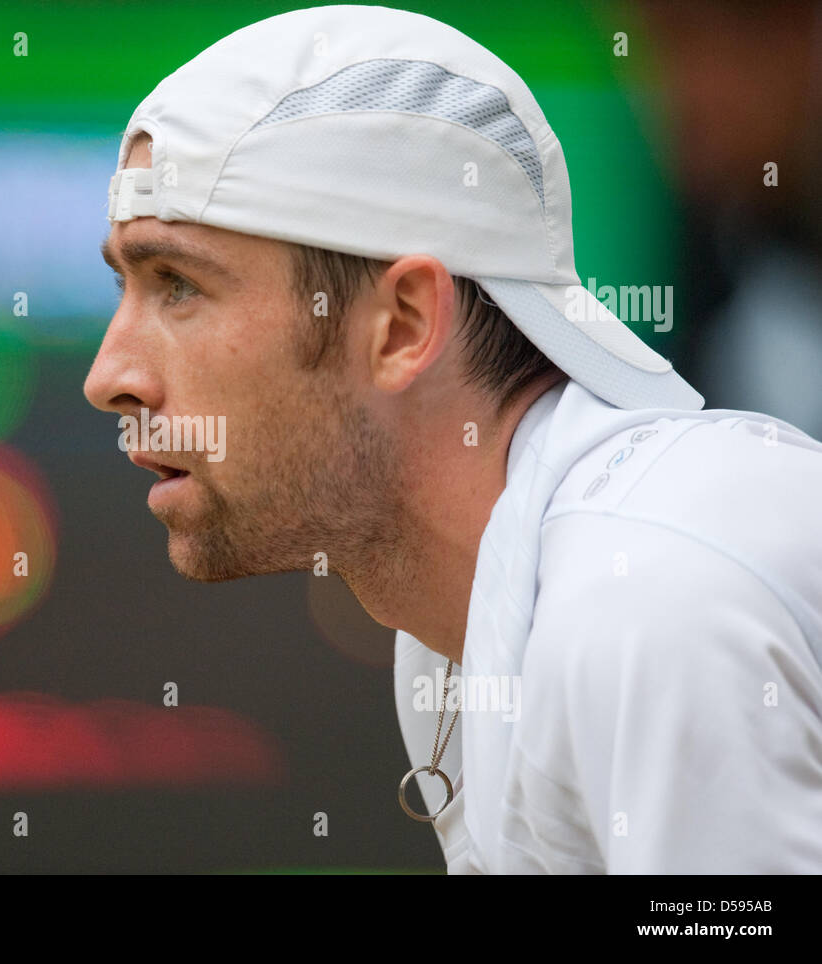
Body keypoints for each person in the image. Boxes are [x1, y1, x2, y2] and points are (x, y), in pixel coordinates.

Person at [83, 4, 822, 873]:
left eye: (178, 285)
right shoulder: (457, 627)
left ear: (401, 326)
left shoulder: (639, 602)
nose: (110, 377)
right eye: (128, 285)